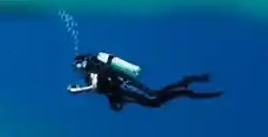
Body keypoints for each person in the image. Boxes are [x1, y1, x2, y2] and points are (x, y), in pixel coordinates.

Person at [67, 52, 222, 111]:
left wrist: (78, 90)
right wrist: (115, 102)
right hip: (124, 87)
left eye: (77, 65)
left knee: (153, 99)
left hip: (125, 85)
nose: (77, 69)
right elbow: (105, 89)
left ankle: (184, 89)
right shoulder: (92, 73)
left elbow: (96, 86)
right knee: (154, 97)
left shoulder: (94, 69)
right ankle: (183, 84)